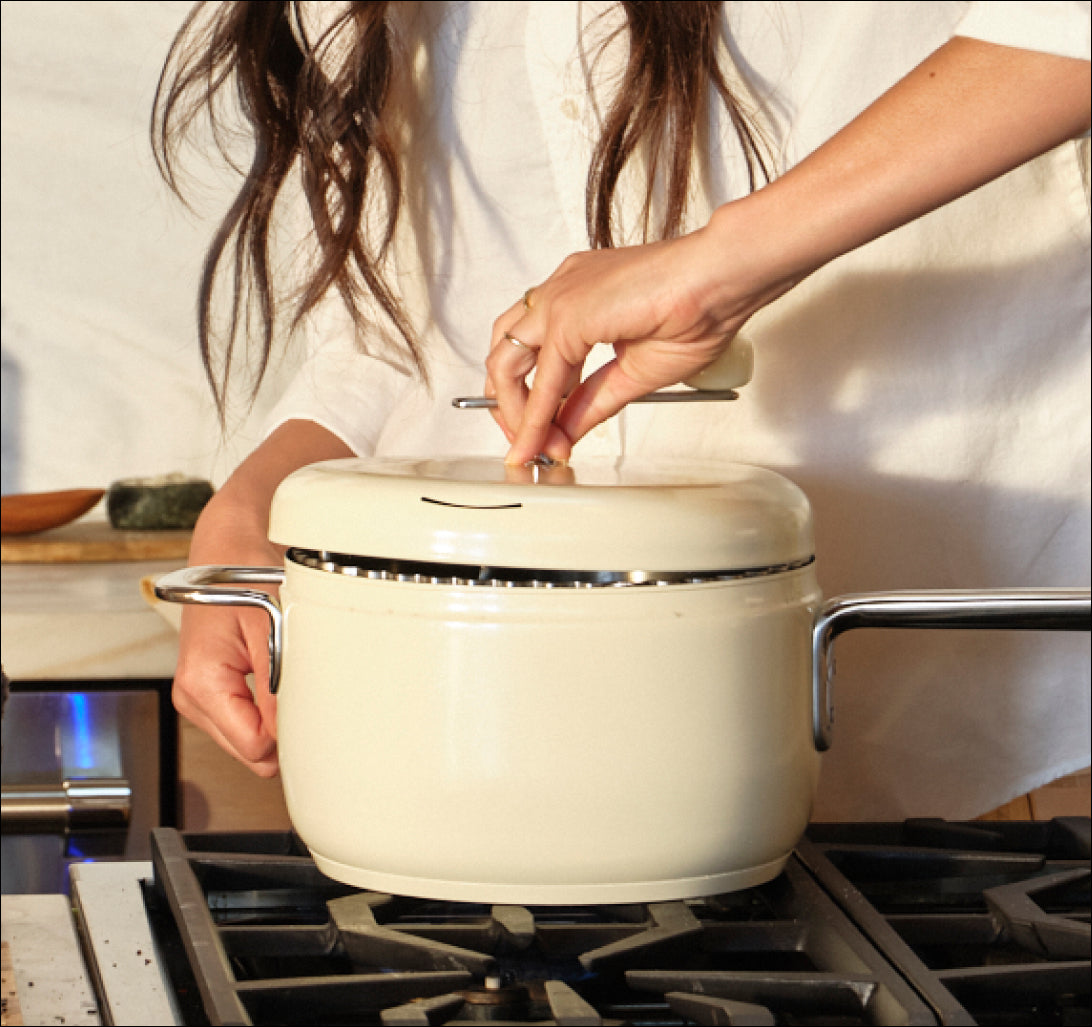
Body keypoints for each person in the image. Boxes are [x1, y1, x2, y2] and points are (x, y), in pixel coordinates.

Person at [155, 1, 1091, 819]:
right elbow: (412, 328)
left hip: (1002, 741)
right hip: (571, 756)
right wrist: (251, 498)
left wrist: (720, 262)